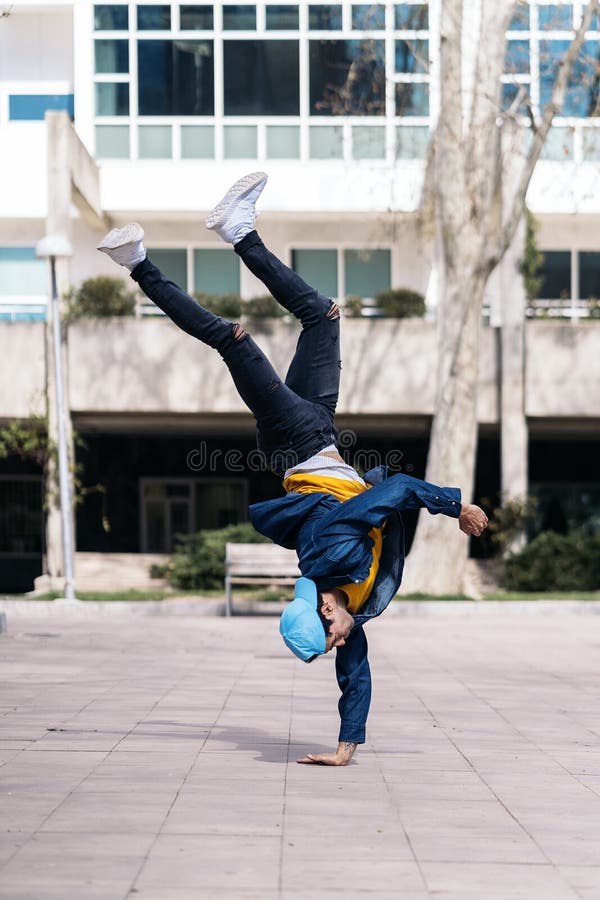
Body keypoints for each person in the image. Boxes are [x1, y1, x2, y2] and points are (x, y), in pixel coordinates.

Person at [98, 172, 488, 766]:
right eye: (334, 645)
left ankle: (138, 262)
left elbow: (402, 489)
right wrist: (343, 750)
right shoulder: (355, 605)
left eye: (331, 639)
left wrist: (454, 505)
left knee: (233, 338)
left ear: (323, 612)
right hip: (321, 433)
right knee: (324, 316)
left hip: (295, 443)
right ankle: (239, 232)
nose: (340, 646)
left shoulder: (334, 556)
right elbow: (355, 681)